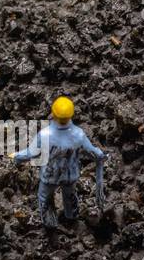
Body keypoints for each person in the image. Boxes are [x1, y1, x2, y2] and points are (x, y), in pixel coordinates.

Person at [11, 96, 106, 228]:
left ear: (53, 113)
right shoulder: (79, 134)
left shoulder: (44, 135)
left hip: (50, 175)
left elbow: (30, 153)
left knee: (45, 198)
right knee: (70, 196)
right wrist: (100, 155)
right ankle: (71, 217)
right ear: (71, 114)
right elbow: (92, 152)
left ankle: (50, 223)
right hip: (70, 175)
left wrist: (16, 156)